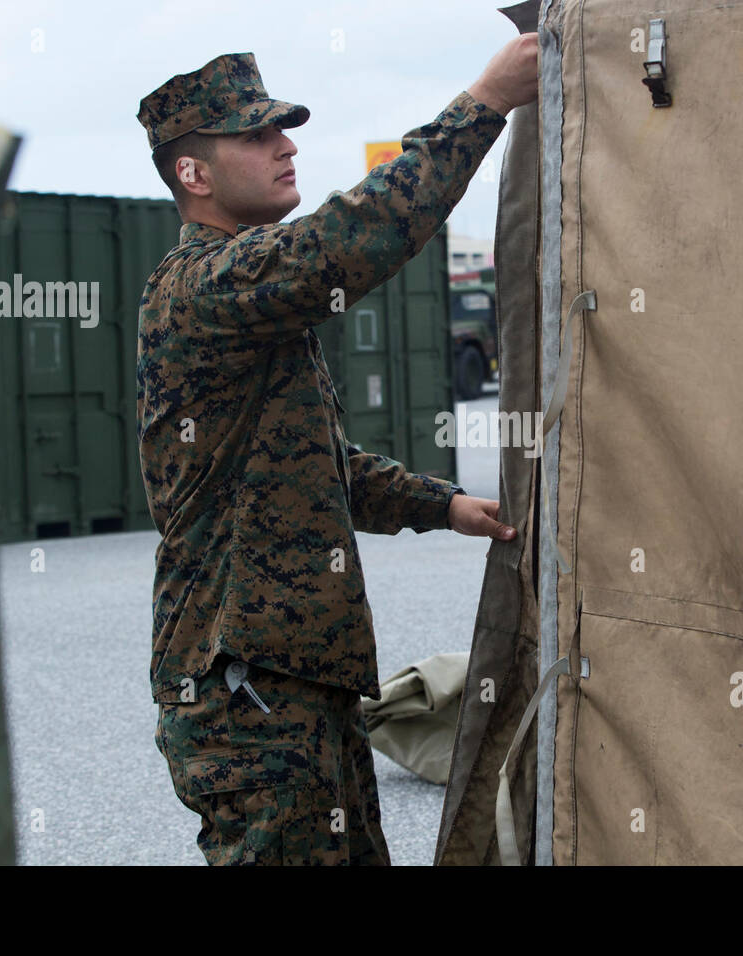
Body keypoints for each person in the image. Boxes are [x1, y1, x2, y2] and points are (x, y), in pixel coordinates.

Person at [135, 36, 538, 865]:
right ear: (193, 175)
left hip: (299, 688)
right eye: (255, 135)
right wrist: (483, 105)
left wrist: (443, 506)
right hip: (247, 695)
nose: (285, 145)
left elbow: (316, 463)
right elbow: (342, 245)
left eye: (282, 130)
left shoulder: (245, 302)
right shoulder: (206, 287)